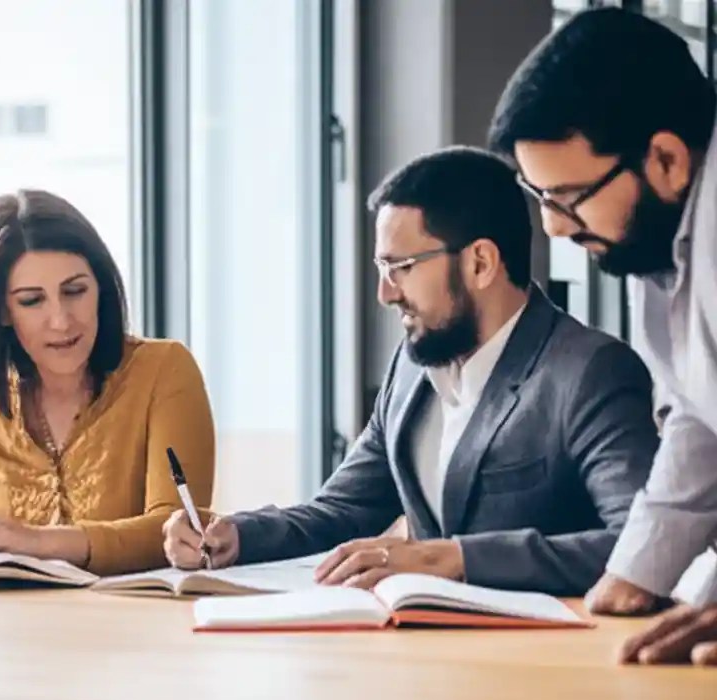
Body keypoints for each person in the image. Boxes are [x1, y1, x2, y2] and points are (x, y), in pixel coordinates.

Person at [163, 147, 659, 596]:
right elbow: (345, 509)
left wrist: (456, 558)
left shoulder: (591, 371)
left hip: (552, 665)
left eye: (400, 267)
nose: (385, 293)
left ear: (481, 263)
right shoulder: (411, 364)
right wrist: (235, 535)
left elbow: (642, 544)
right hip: (419, 652)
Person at [487, 7, 717, 665]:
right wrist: (635, 575)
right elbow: (700, 424)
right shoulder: (656, 245)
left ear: (665, 157)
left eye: (568, 196)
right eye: (541, 199)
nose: (554, 229)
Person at [0, 189, 215, 576]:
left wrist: (36, 541)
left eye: (75, 291)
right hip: (14, 629)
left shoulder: (163, 370)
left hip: (137, 627)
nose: (61, 320)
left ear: (100, 288)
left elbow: (176, 531)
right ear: (1, 310)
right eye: (32, 300)